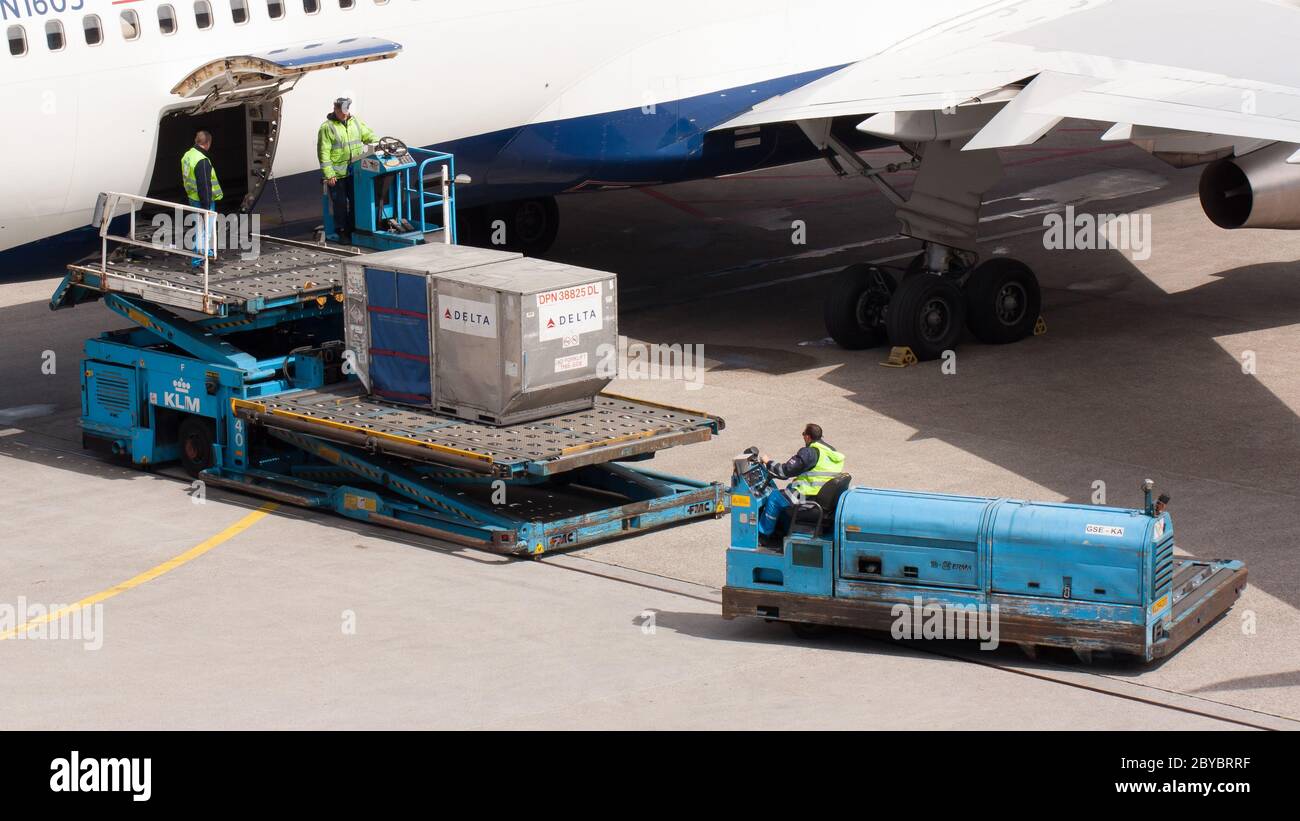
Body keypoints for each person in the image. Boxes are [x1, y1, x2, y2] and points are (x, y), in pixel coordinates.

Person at [318, 97, 377, 242]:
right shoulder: (327, 127)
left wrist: (377, 144)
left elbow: (369, 135)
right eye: (341, 111)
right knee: (340, 205)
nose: (344, 114)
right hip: (337, 175)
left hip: (355, 171)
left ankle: (354, 227)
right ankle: (342, 231)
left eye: (346, 111)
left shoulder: (355, 122)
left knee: (357, 200)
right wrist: (329, 174)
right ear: (335, 109)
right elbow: (323, 153)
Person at [766, 423, 846, 500]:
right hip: (825, 495)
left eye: (803, 434)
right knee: (791, 486)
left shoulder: (809, 453)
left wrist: (768, 462)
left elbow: (785, 471)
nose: (803, 436)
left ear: (807, 437)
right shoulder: (831, 451)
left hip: (807, 496)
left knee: (775, 497)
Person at [180, 130, 223, 268]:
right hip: (203, 201)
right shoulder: (202, 161)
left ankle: (204, 255)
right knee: (204, 231)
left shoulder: (188, 155)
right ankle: (198, 262)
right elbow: (204, 184)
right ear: (208, 143)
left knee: (199, 229)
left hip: (192, 197)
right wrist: (206, 206)